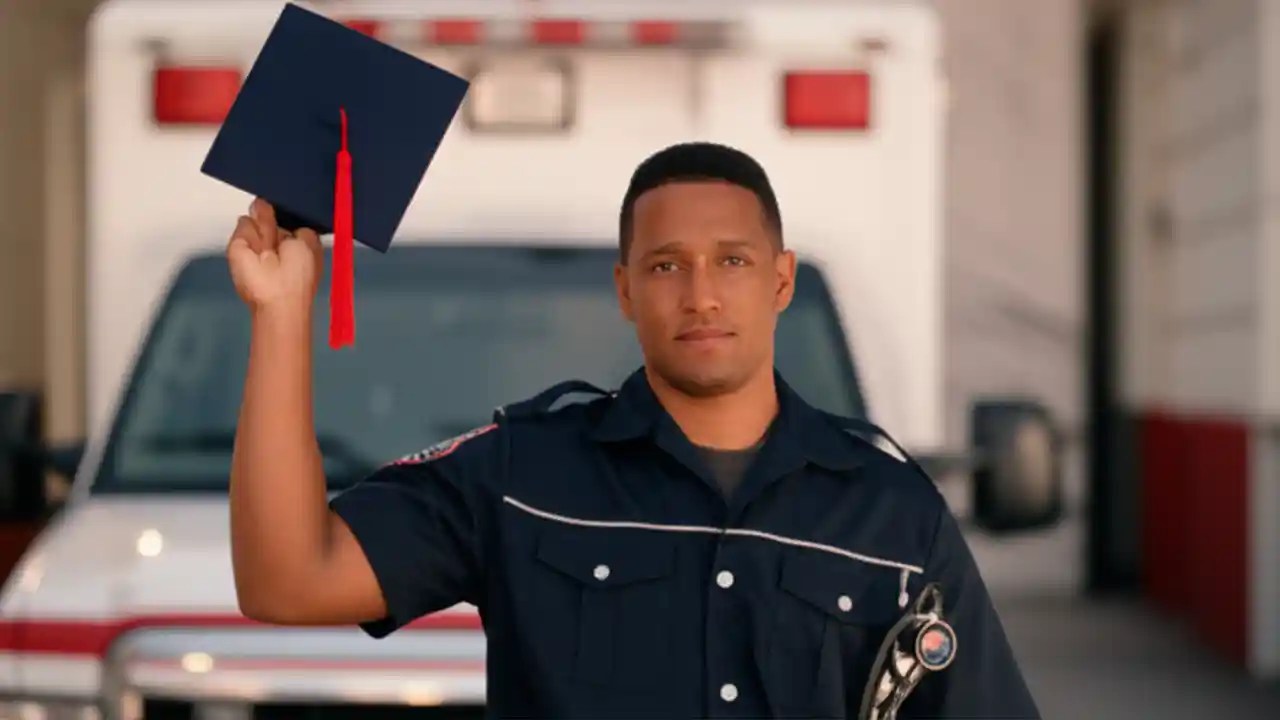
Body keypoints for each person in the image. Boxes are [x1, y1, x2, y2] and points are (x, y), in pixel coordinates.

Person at [226, 141, 1041, 719]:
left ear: (779, 279)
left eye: (732, 260)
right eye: (665, 265)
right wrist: (280, 313)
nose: (701, 295)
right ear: (624, 289)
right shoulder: (523, 479)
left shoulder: (893, 515)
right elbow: (286, 581)